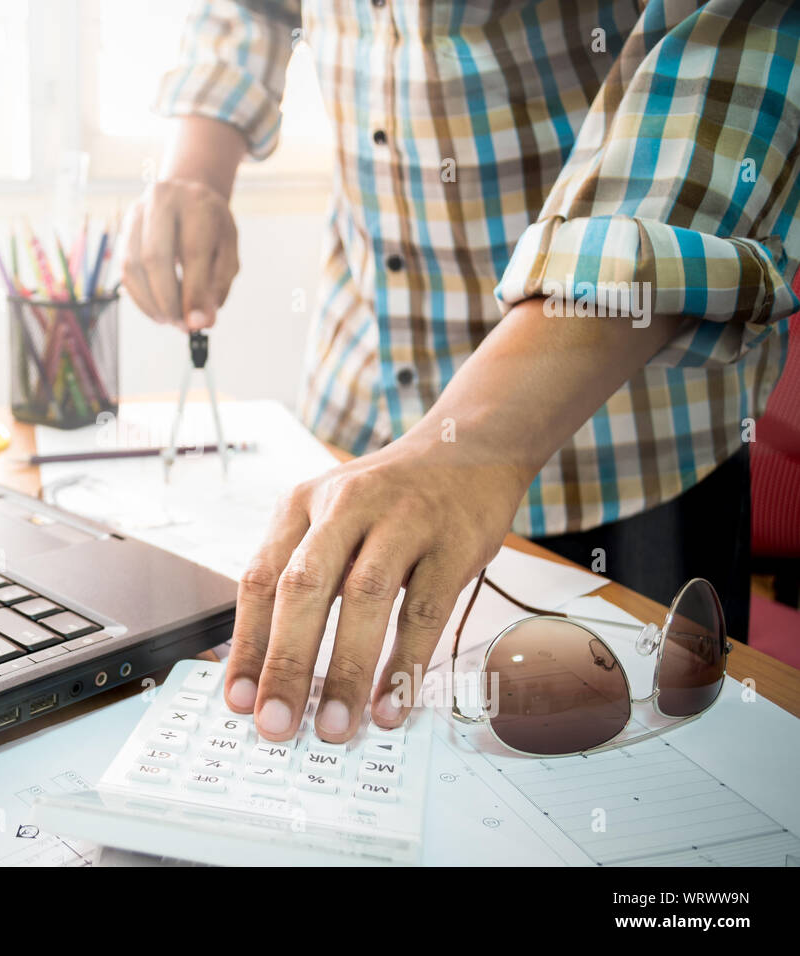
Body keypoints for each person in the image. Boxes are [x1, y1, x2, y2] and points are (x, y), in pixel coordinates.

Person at [120, 0, 799, 744]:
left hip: (629, 441)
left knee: (654, 785)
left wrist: (474, 438)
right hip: (360, 398)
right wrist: (197, 167)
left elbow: (738, 55)